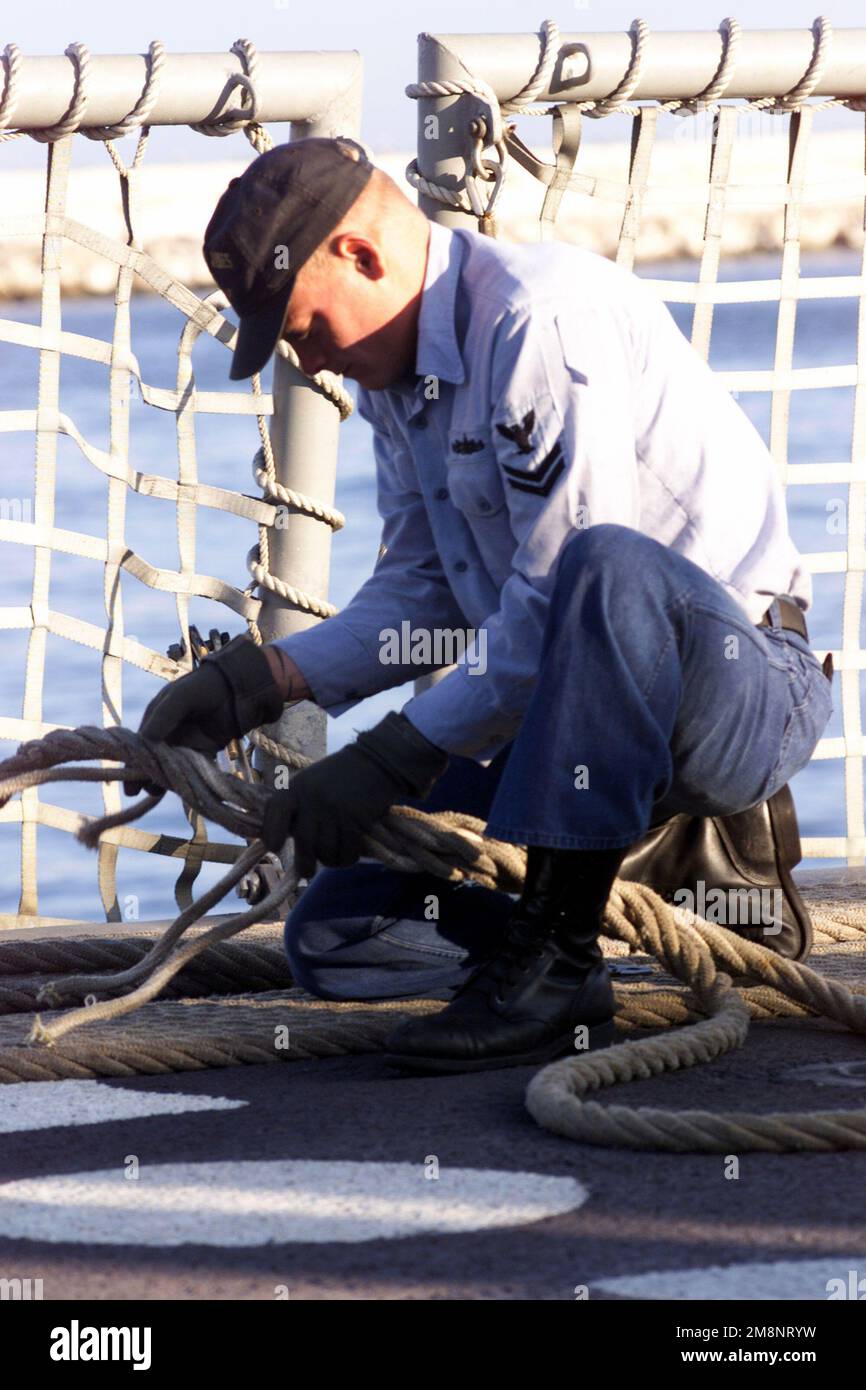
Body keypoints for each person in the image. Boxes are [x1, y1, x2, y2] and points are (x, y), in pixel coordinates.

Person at [130, 136, 833, 1075]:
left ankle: (558, 956)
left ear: (362, 257)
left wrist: (397, 754)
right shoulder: (395, 375)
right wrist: (267, 678)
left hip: (741, 694)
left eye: (299, 326)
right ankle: (639, 869)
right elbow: (423, 589)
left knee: (604, 565)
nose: (302, 358)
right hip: (572, 732)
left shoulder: (539, 322)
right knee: (338, 936)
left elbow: (560, 599)